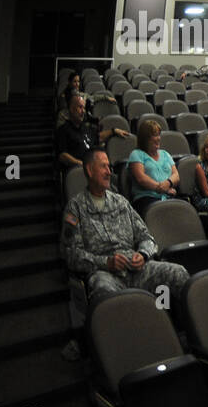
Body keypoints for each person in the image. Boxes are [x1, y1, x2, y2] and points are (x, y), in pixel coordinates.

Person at [61, 149, 190, 359]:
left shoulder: (120, 202)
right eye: (102, 166)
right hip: (105, 273)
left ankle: (185, 335)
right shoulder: (75, 209)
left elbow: (147, 237)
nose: (108, 171)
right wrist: (106, 262)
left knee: (178, 273)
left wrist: (144, 255)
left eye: (109, 167)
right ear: (89, 170)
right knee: (105, 293)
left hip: (136, 268)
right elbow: (72, 255)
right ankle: (124, 352)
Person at [56, 94, 128, 169]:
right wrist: (82, 164)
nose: (83, 111)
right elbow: (63, 156)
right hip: (79, 170)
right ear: (71, 109)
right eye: (80, 107)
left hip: (93, 167)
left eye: (83, 108)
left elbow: (98, 137)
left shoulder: (85, 127)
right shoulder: (63, 130)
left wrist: (113, 131)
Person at [126, 119, 180, 213]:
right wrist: (162, 188)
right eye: (155, 135)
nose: (158, 138)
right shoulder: (136, 154)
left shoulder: (165, 154)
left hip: (169, 197)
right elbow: (141, 178)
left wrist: (168, 183)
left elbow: (176, 175)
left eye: (159, 134)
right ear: (145, 138)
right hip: (147, 199)